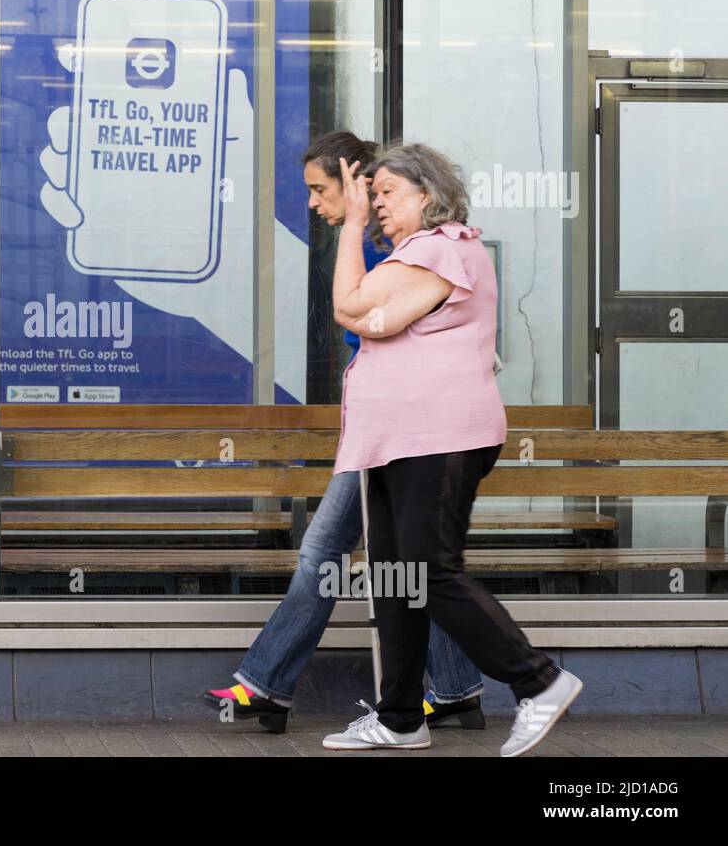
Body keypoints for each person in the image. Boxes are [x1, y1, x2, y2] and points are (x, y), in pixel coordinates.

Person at [200, 132, 485, 735]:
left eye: (318, 189)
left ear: (353, 186)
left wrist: (354, 230)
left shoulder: (401, 254)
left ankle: (266, 684)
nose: (311, 203)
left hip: (400, 436)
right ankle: (457, 686)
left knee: (325, 551)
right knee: (410, 565)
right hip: (383, 434)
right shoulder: (393, 246)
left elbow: (356, 313)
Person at [321, 143, 582, 757]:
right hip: (398, 442)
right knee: (396, 579)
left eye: (386, 192)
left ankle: (538, 681)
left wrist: (352, 225)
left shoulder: (441, 247)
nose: (375, 203)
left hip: (438, 439)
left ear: (426, 195)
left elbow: (349, 308)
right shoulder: (419, 255)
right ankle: (401, 718)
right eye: (372, 193)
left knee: (429, 571)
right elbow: (366, 314)